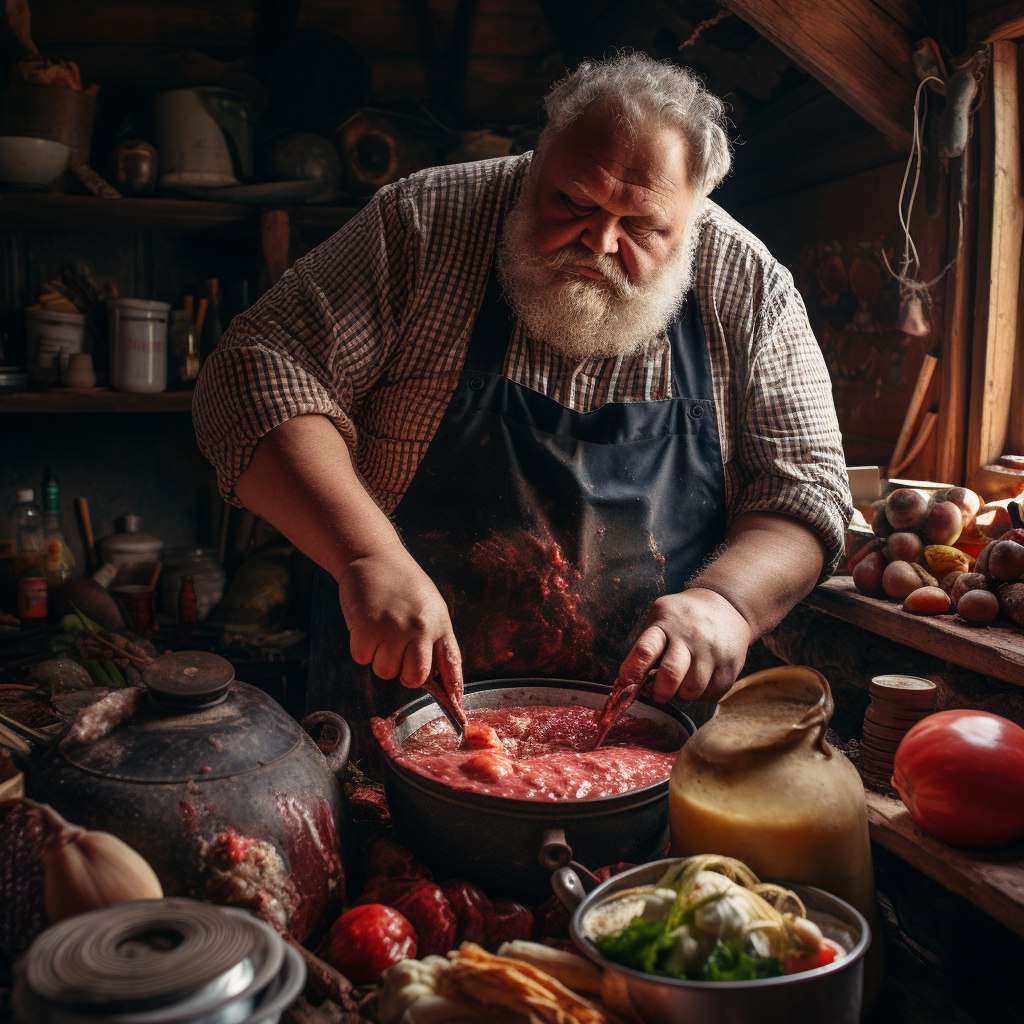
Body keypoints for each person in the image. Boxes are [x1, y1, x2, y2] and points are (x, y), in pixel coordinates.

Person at [192, 52, 852, 744]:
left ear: (693, 214)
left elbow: (805, 489)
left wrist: (728, 604)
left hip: (643, 750)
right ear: (536, 160)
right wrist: (365, 557)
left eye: (641, 227)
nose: (600, 241)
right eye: (573, 202)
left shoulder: (748, 285)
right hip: (398, 717)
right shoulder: (427, 222)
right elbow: (252, 372)